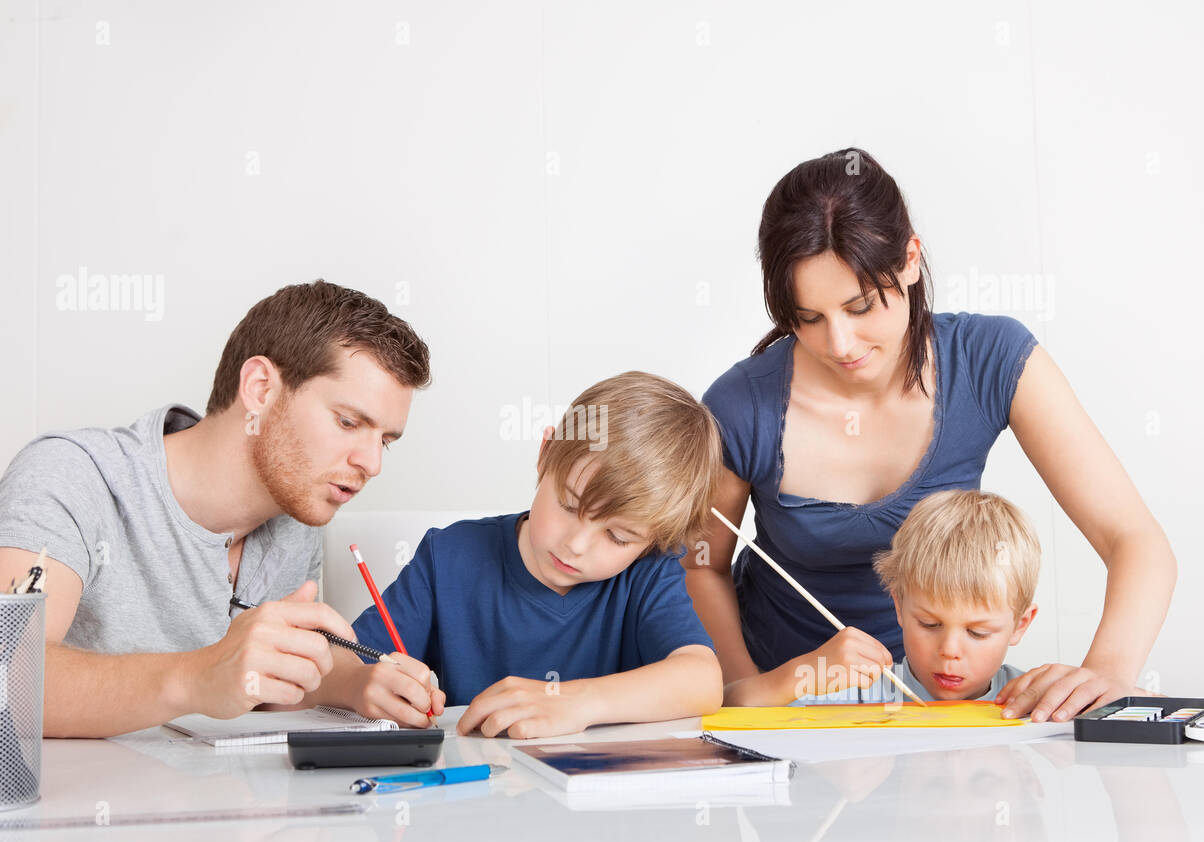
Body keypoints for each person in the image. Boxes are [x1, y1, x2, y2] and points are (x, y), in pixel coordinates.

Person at [685, 148, 1175, 722]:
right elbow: (701, 564)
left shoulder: (991, 359)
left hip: (942, 704)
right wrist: (751, 692)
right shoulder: (741, 403)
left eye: (861, 305)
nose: (839, 344)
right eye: (809, 318)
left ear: (911, 259)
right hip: (798, 712)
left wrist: (1109, 672)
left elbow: (1135, 540)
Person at [0, 280, 442, 738]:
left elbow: (271, 678)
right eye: (347, 421)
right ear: (260, 389)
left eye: (384, 440)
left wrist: (359, 684)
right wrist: (198, 676)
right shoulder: (71, 475)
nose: (372, 463)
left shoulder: (295, 518)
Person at [335, 372, 725, 738]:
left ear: (654, 540)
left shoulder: (648, 572)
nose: (577, 544)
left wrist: (576, 702)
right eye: (569, 506)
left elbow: (702, 680)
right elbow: (339, 661)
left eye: (618, 537)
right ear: (545, 454)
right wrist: (357, 685)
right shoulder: (449, 557)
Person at [753, 489, 1037, 706]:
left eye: (978, 632)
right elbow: (733, 704)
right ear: (899, 606)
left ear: (1021, 625)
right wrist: (800, 673)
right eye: (929, 624)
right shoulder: (859, 690)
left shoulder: (1033, 698)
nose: (949, 650)